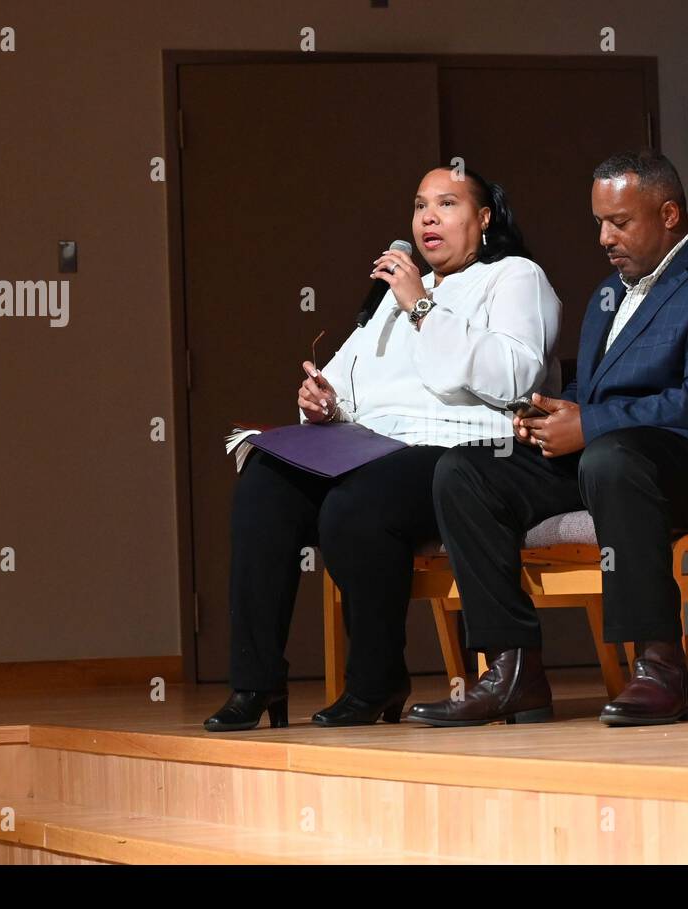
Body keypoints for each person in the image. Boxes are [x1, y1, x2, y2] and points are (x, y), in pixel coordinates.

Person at [406, 150, 688, 728]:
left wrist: (590, 426)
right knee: (466, 471)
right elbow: (594, 396)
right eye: (599, 223)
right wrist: (552, 418)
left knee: (614, 456)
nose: (604, 237)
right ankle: (514, 671)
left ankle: (662, 669)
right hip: (615, 461)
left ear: (668, 215)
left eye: (620, 222)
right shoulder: (609, 295)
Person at [204, 167, 561, 731]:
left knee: (355, 504)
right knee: (264, 483)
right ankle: (256, 683)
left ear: (485, 217)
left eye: (447, 203)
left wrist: (421, 306)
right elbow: (348, 383)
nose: (428, 217)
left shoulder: (513, 277)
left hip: (459, 449)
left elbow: (514, 378)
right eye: (421, 206)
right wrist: (320, 402)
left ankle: (375, 681)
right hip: (367, 445)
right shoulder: (393, 297)